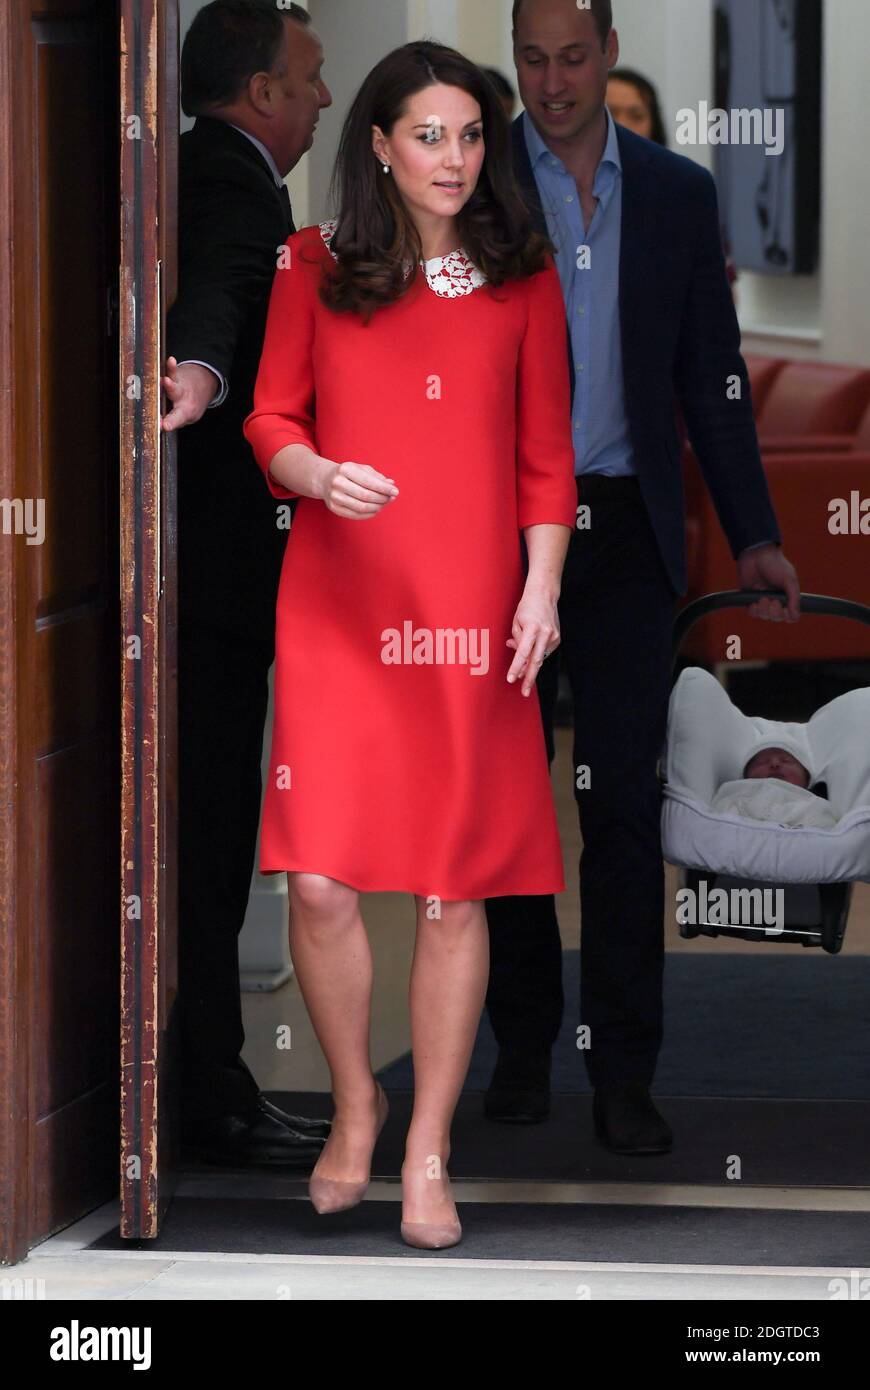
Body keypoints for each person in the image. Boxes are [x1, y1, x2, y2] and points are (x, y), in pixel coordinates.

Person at [242, 40, 577, 1249]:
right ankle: (354, 1103)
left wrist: (541, 592)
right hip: (337, 604)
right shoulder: (311, 265)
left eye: (472, 135)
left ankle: (427, 1147)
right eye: (428, 134)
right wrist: (315, 472)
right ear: (377, 144)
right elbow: (271, 412)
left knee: (451, 889)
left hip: (475, 617)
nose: (454, 157)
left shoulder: (522, 277)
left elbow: (548, 459)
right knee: (319, 880)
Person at [483, 0, 801, 1151]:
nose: (553, 81)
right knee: (510, 803)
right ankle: (522, 1051)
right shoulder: (476, 186)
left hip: (620, 536)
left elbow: (712, 377)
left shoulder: (674, 193)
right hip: (495, 539)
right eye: (533, 58)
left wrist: (756, 530)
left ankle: (623, 1069)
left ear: (609, 52)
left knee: (619, 803)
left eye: (574, 57)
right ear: (513, 56)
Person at [162, 0, 333, 1168]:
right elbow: (221, 293)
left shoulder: (191, 166)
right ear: (261, 93)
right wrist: (204, 372)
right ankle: (207, 1096)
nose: (323, 97)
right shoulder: (231, 184)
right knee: (213, 834)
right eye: (310, 78)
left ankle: (194, 1082)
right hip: (220, 586)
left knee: (209, 832)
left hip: (205, 581)